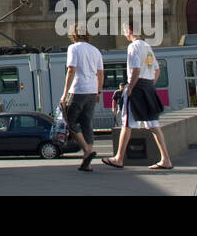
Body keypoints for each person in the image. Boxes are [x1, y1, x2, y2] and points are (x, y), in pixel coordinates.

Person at [102, 23, 174, 170]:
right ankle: (166, 159)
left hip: (137, 87)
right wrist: (150, 84)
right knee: (154, 125)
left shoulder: (133, 47)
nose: (124, 34)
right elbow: (157, 70)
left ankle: (118, 158)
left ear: (129, 31)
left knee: (127, 123)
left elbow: (135, 69)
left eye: (124, 31)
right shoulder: (147, 46)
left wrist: (130, 89)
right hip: (148, 86)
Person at [59, 23, 105, 171]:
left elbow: (71, 71)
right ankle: (87, 163)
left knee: (69, 121)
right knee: (87, 124)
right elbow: (101, 74)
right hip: (92, 91)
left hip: (78, 90)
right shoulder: (95, 50)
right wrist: (98, 92)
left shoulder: (73, 48)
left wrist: (65, 93)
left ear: (73, 34)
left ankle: (87, 150)